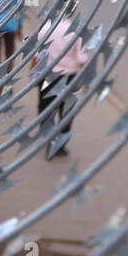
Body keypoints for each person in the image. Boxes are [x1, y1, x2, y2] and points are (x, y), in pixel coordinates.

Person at [34, 17, 89, 158]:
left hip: (47, 75)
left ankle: (48, 140)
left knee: (45, 108)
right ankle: (59, 146)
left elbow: (37, 53)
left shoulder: (46, 27)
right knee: (67, 112)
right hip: (68, 77)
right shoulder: (77, 30)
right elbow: (82, 59)